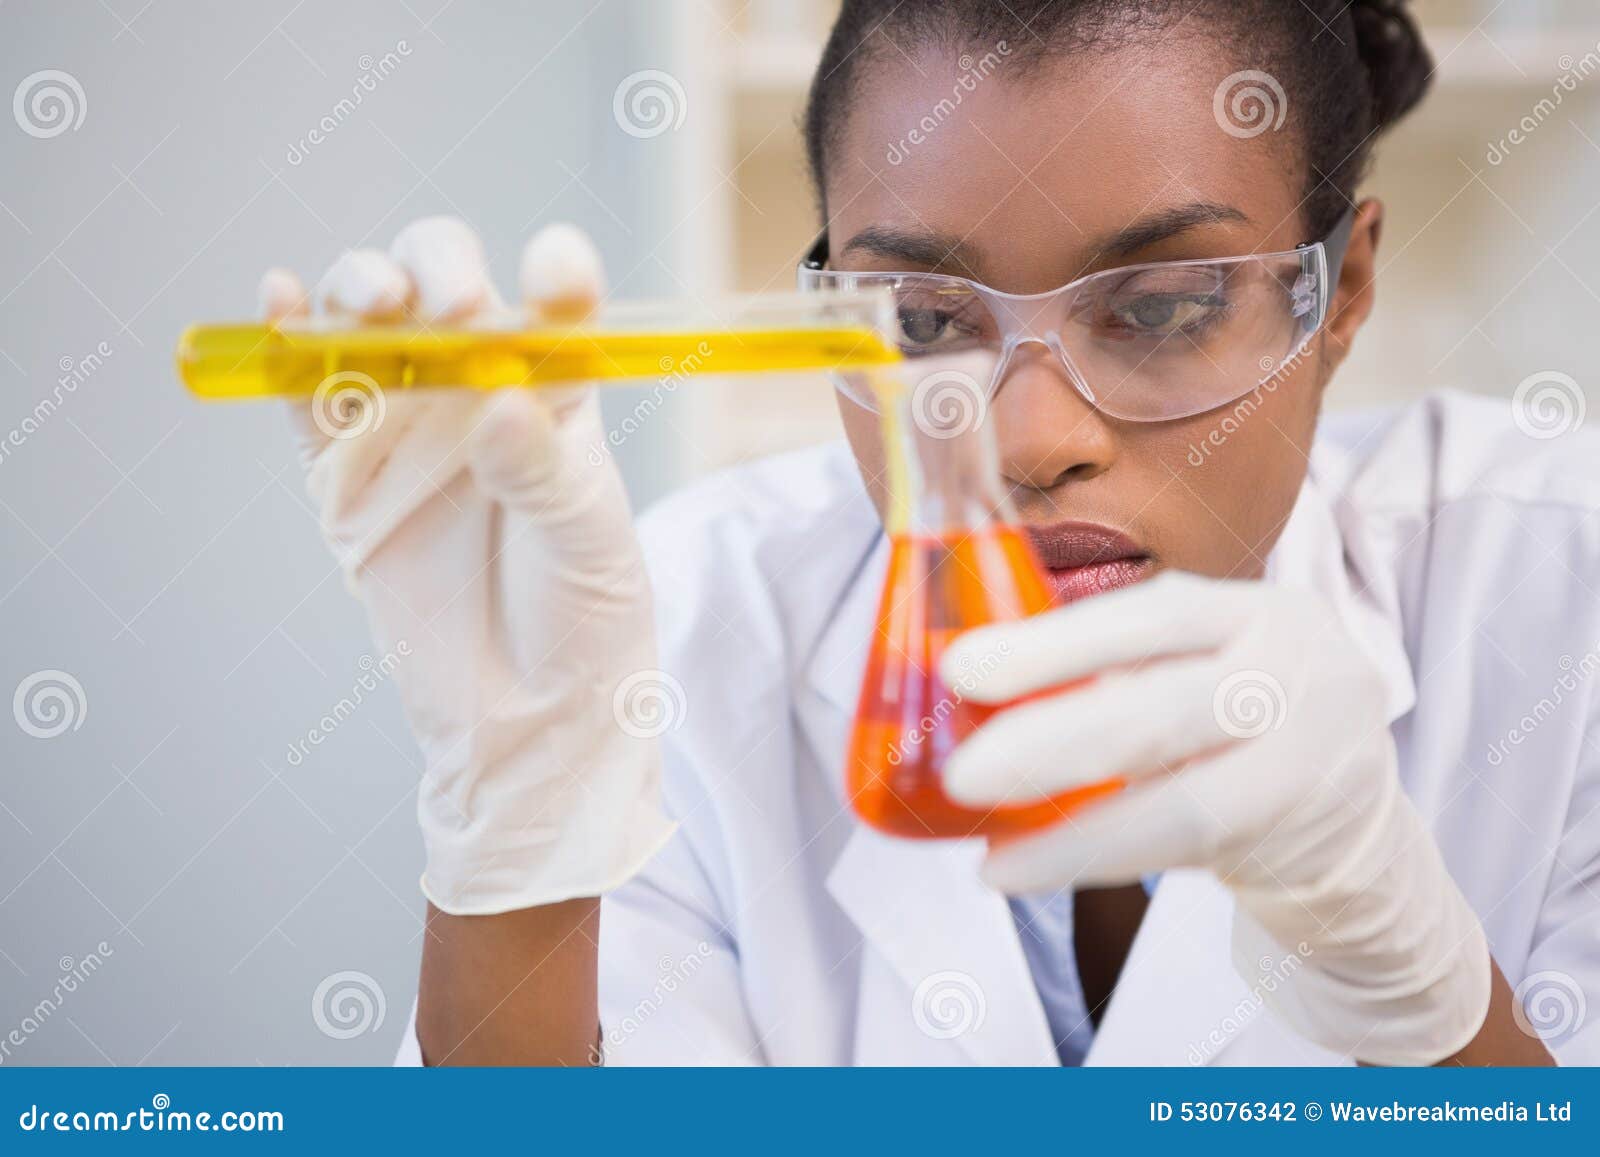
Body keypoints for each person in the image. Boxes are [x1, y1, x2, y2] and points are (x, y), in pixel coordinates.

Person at [260, 0, 1597, 1066]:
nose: (1026, 441)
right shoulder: (691, 623)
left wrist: (1429, 1003)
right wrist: (519, 844)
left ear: (1342, 286)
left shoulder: (1559, 588)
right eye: (922, 319)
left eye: (1165, 303)